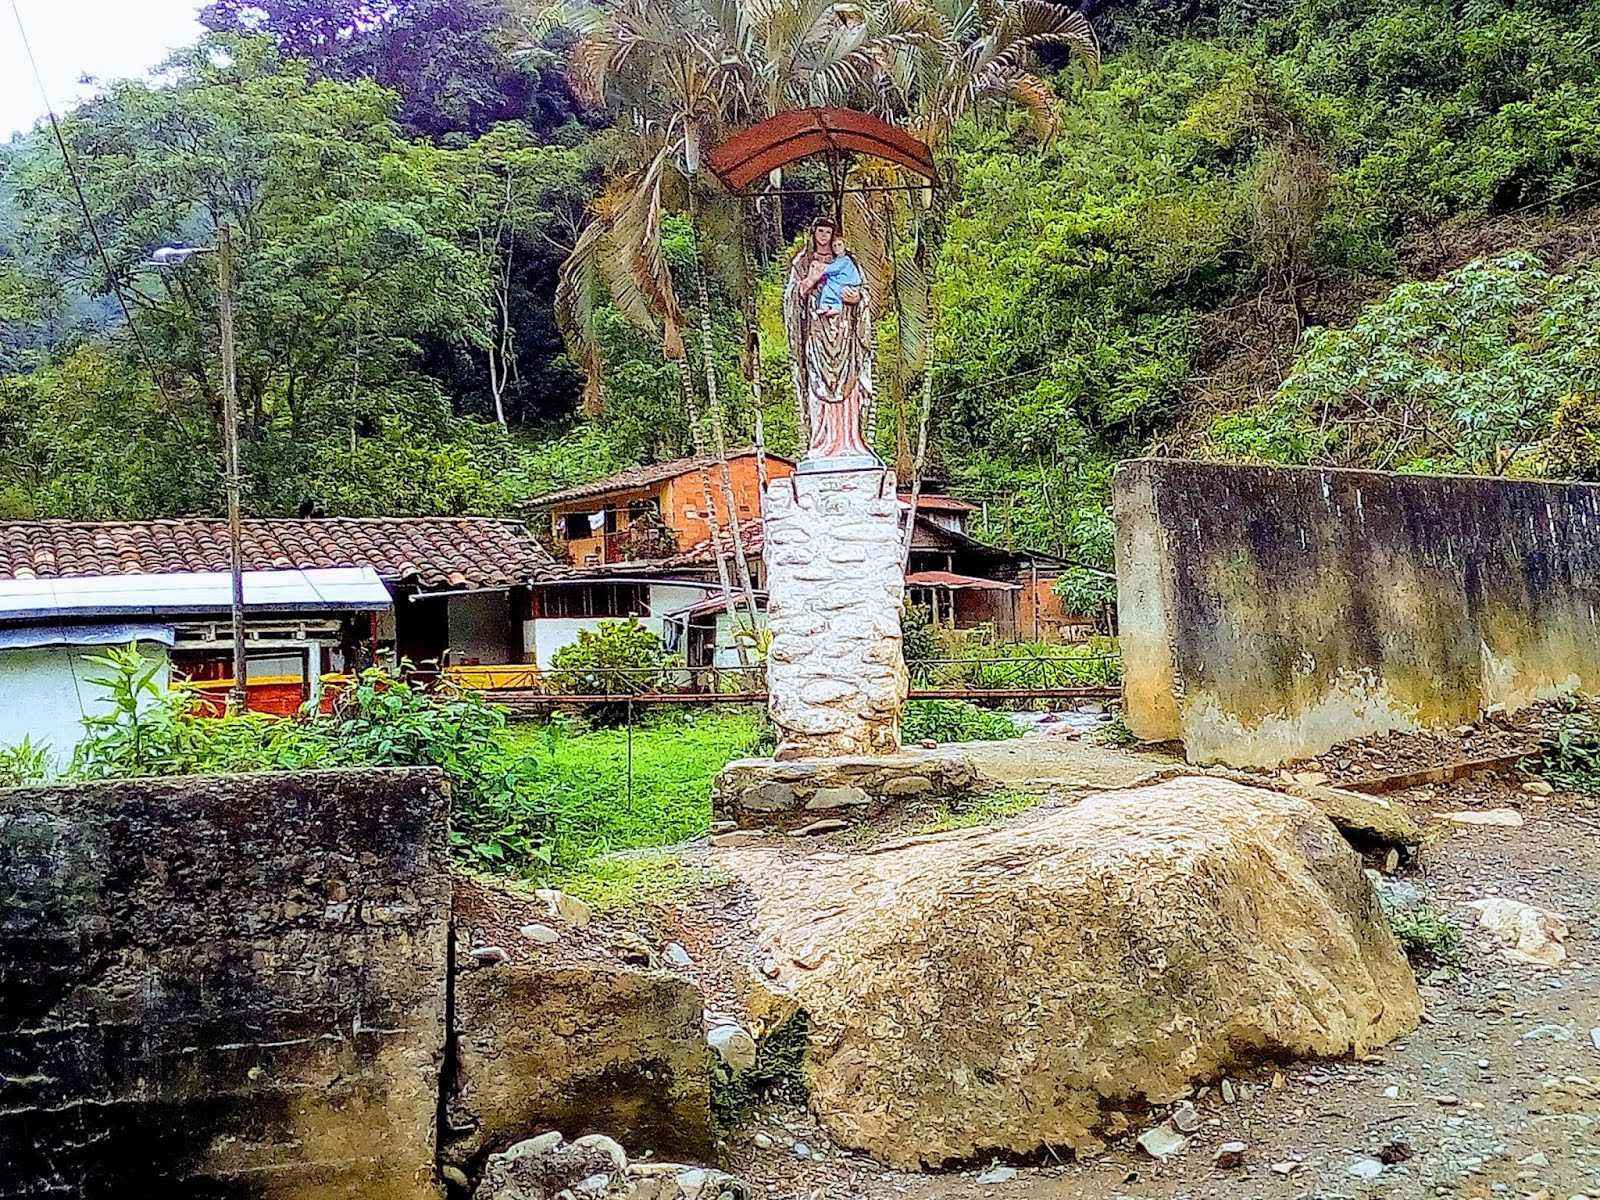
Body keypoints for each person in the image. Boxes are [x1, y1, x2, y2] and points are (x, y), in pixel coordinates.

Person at [782, 218, 876, 463]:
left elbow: (864, 291)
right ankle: (823, 441)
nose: (824, 236)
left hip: (846, 336)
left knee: (850, 387)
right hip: (816, 333)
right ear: (813, 233)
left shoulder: (848, 261)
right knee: (818, 388)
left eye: (828, 232)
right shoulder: (802, 263)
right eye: (820, 231)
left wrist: (857, 298)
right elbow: (791, 299)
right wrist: (809, 282)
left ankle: (851, 442)